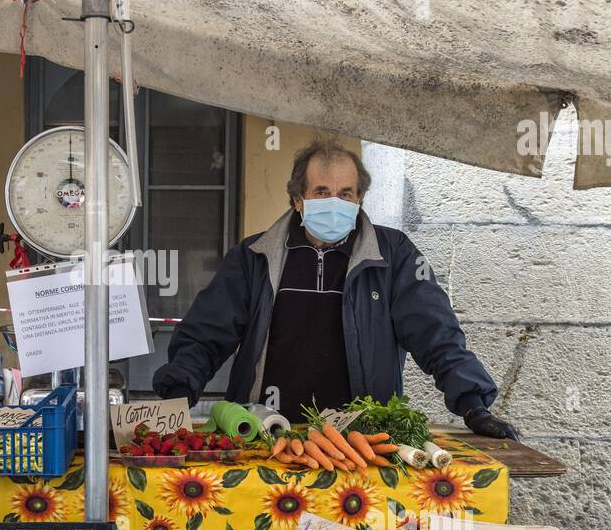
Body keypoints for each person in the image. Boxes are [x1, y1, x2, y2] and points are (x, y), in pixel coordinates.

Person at [153, 138, 519, 440]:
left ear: (360, 199)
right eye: (322, 191)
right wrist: (176, 396)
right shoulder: (254, 257)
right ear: (298, 200)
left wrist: (473, 404)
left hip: (361, 442)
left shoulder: (393, 256)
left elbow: (436, 333)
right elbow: (205, 334)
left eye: (346, 193)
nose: (335, 202)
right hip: (265, 436)